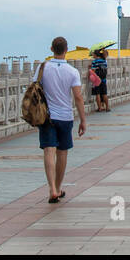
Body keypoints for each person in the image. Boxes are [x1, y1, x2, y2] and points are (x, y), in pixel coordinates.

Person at [35, 36, 88, 202]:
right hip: (65, 116)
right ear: (66, 50)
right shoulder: (72, 71)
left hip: (46, 116)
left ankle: (51, 188)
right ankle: (58, 187)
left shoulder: (42, 68)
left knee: (49, 151)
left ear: (51, 49)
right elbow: (78, 97)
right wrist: (83, 120)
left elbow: (35, 89)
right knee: (62, 152)